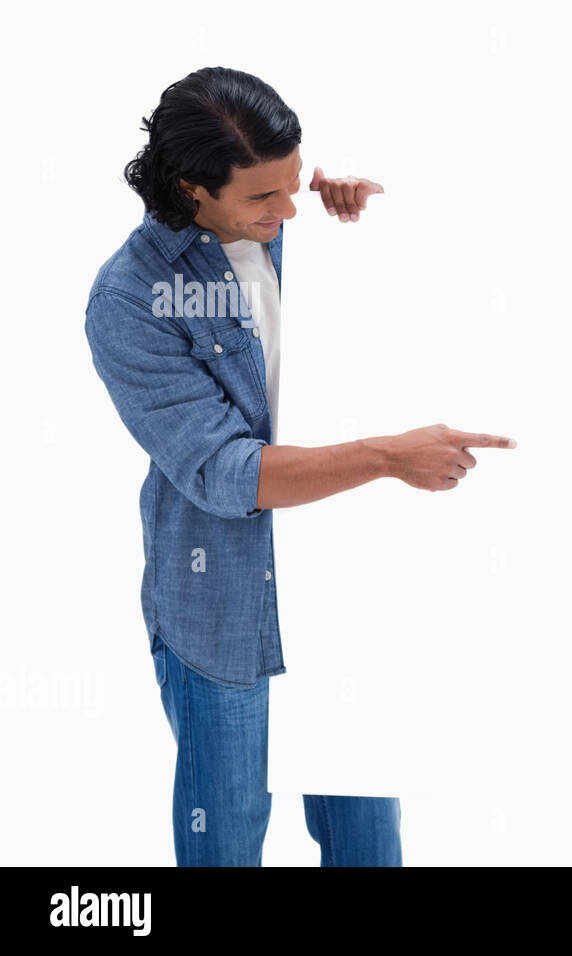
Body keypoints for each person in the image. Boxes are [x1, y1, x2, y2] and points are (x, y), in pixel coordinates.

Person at [84, 66, 516, 866]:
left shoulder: (292, 230)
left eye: (296, 184)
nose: (288, 213)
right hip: (222, 610)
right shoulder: (129, 299)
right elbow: (224, 474)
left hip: (340, 590)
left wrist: (354, 223)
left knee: (368, 847)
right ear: (193, 190)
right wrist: (391, 456)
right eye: (263, 199)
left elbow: (363, 335)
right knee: (229, 842)